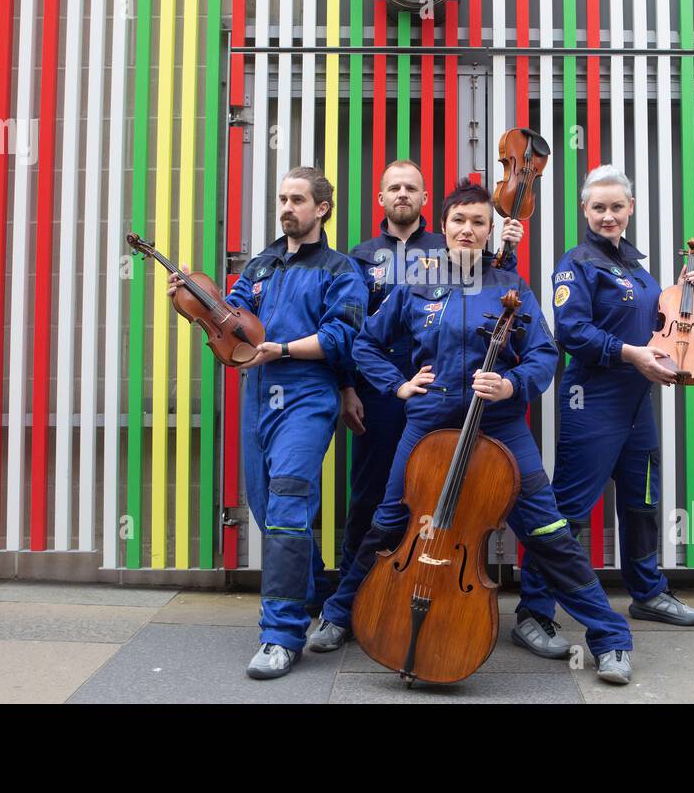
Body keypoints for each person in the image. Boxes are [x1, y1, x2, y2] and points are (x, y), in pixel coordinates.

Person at [309, 180, 636, 684]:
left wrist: (511, 384)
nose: (467, 230)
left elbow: (544, 355)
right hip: (427, 423)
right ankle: (337, 615)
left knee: (549, 534)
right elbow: (367, 345)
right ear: (443, 228)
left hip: (501, 429)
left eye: (478, 222)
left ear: (490, 231)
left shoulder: (509, 286)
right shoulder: (417, 283)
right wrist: (398, 387)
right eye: (459, 220)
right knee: (389, 524)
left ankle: (610, 640)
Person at [167, 166, 367, 679]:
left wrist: (281, 348)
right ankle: (321, 595)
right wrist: (191, 297)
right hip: (256, 396)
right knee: (269, 511)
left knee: (285, 502)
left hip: (306, 395)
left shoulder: (341, 269)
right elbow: (231, 316)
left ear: (322, 208)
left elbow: (342, 337)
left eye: (297, 199)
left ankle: (280, 635)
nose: (286, 207)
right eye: (282, 198)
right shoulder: (261, 264)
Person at [517, 164, 694, 628]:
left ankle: (647, 593)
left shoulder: (637, 271)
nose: (608, 216)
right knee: (570, 508)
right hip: (592, 399)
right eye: (599, 207)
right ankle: (534, 612)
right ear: (585, 209)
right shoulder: (576, 263)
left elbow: (665, 333)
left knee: (642, 501)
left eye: (616, 207)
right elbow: (572, 332)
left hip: (638, 403)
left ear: (631, 208)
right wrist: (630, 355)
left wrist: (688, 298)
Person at [334, 160, 523, 601]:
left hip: (441, 385)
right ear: (381, 198)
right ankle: (353, 593)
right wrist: (357, 385)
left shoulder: (449, 244)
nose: (402, 194)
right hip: (383, 392)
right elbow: (356, 331)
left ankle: (422, 586)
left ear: (424, 200)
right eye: (394, 187)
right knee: (374, 495)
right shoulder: (360, 256)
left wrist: (508, 251)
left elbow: (492, 291)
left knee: (439, 493)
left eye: (411, 187)